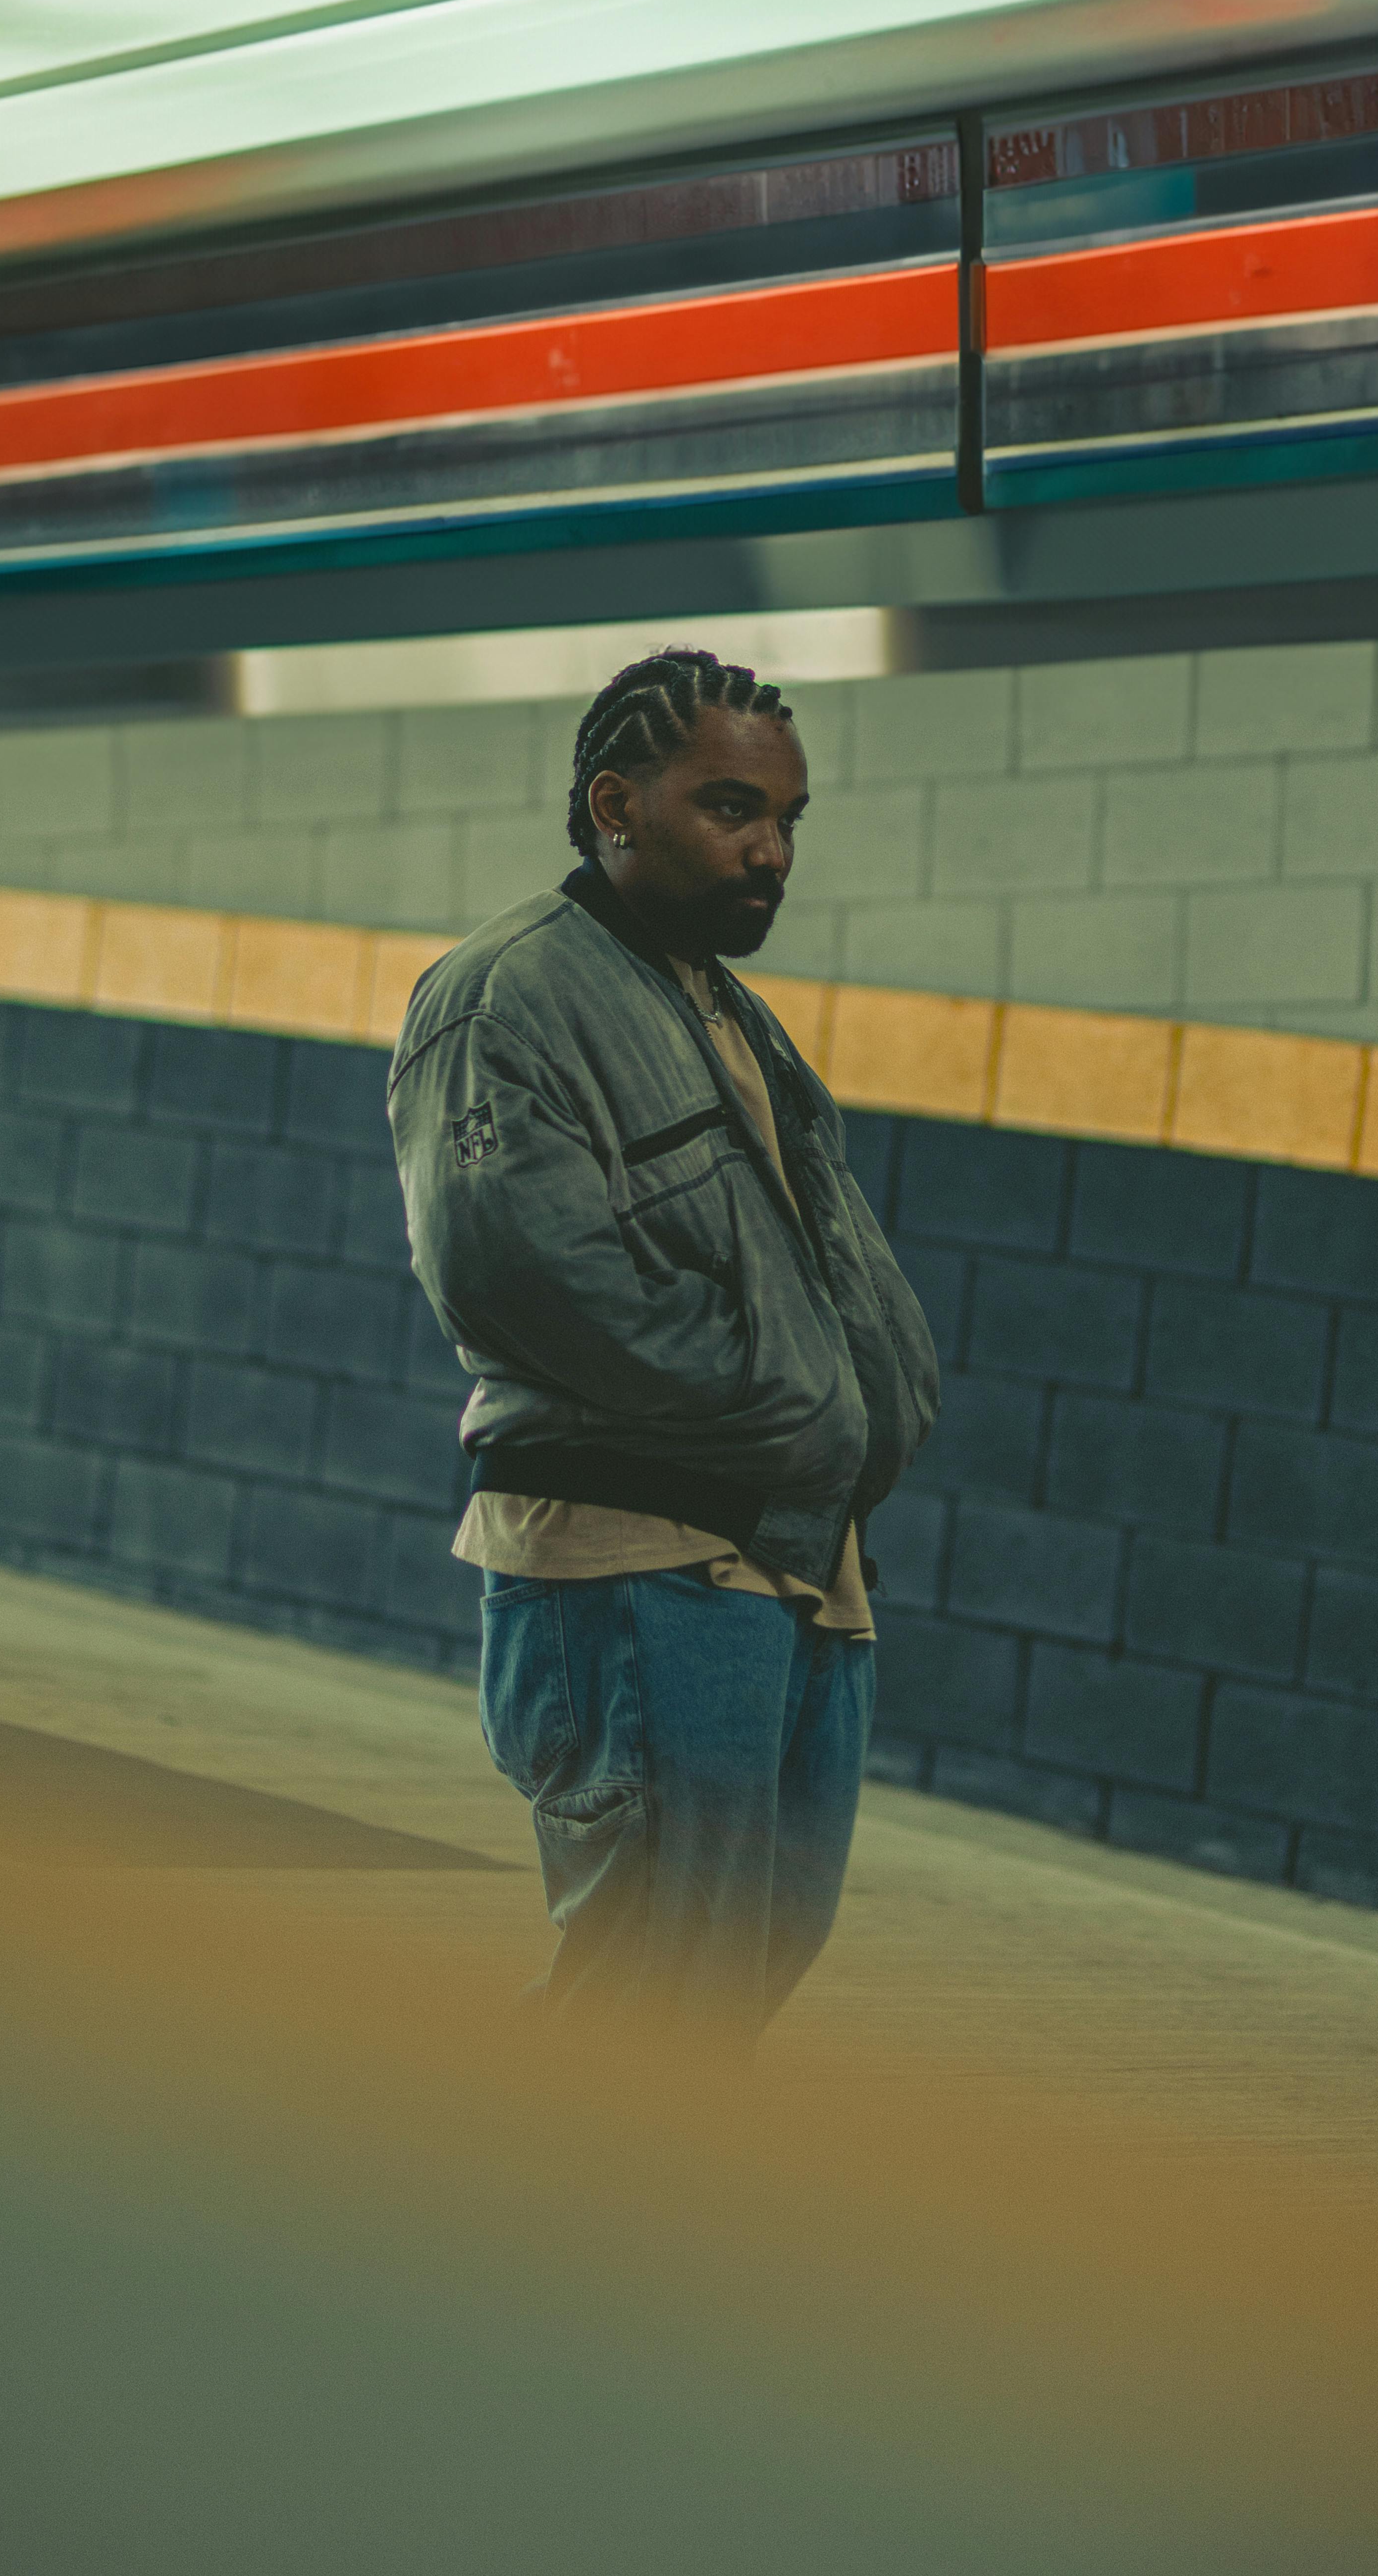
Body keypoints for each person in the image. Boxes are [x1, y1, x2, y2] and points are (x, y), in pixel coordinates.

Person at [388, 646, 939, 2039]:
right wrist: (780, 1402)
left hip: (796, 1566)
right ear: (616, 804)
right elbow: (520, 1274)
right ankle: (455, 2242)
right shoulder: (509, 995)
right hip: (641, 1567)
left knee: (734, 1984)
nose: (772, 852)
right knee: (648, 1990)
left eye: (788, 822)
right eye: (733, 810)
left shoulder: (723, 1011)